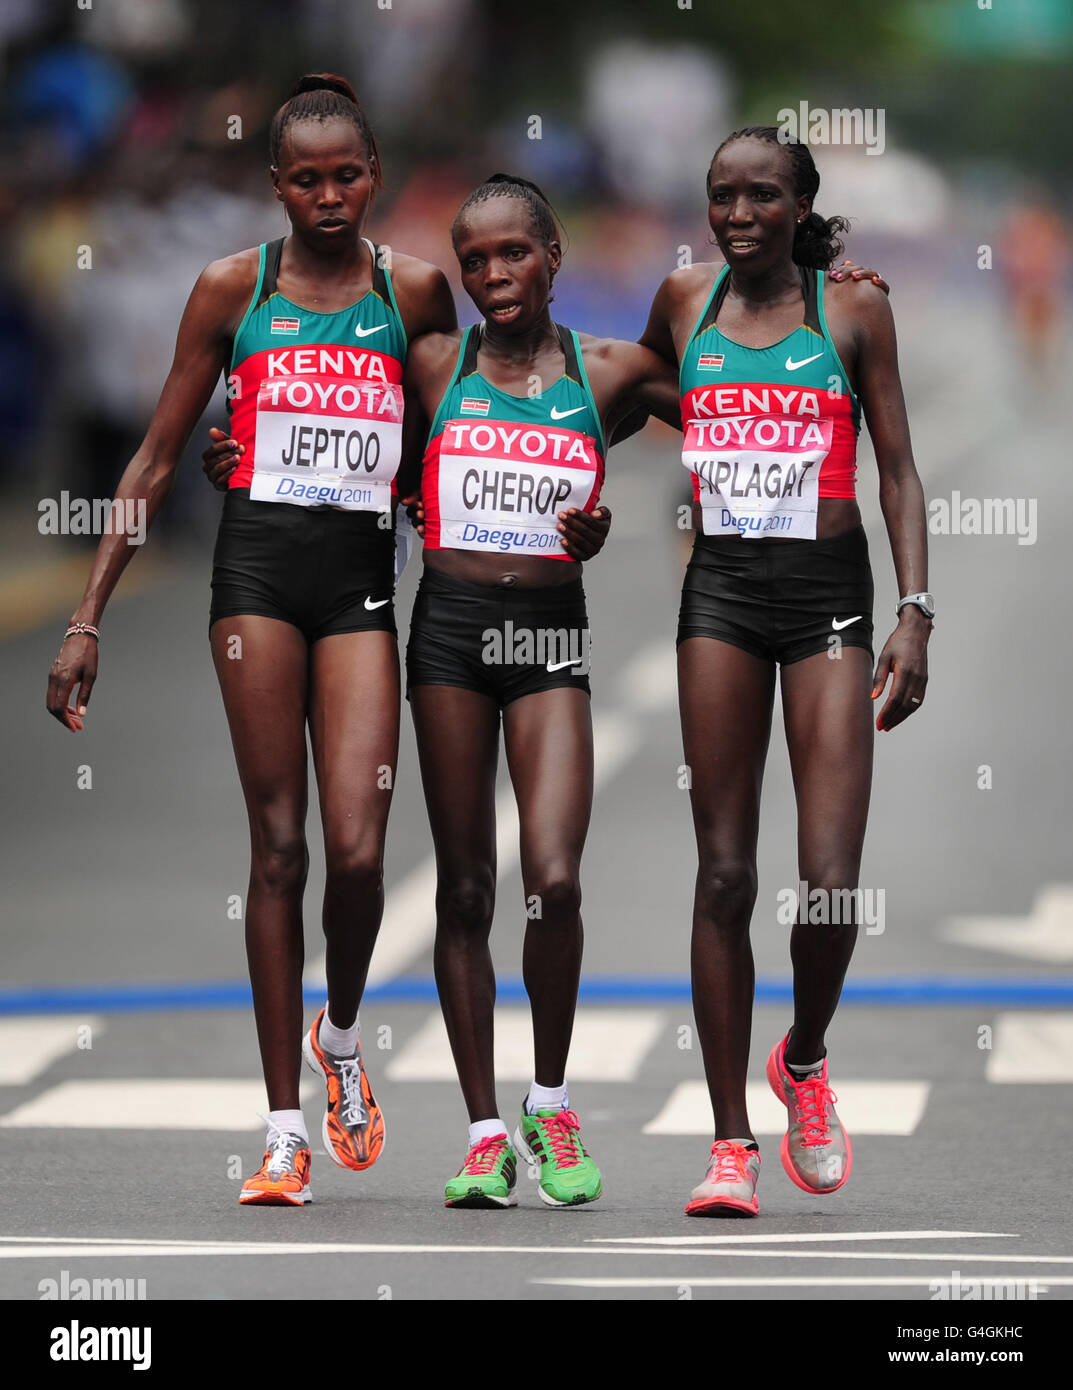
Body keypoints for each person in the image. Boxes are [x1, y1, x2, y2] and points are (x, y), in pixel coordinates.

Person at [46, 73, 466, 1206]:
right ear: (275, 185)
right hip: (255, 584)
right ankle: (283, 1126)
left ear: (374, 176)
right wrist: (88, 616)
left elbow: (456, 433)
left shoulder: (416, 293)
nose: (330, 197)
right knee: (278, 849)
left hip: (358, 589)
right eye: (307, 179)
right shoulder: (232, 292)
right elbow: (149, 459)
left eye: (348, 176)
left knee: (362, 848)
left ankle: (340, 1034)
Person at [638, 127, 930, 1217]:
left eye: (762, 194)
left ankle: (802, 1060)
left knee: (827, 877)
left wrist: (914, 611)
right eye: (722, 195)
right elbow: (627, 389)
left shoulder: (851, 308)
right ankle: (726, 1143)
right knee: (721, 874)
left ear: (799, 202)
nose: (739, 212)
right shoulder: (682, 302)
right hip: (717, 595)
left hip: (829, 602)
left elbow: (894, 462)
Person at [397, 174, 681, 1207]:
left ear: (554, 256)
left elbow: (742, 408)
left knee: (552, 878)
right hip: (448, 636)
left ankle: (549, 1102)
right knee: (466, 885)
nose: (490, 275)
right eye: (472, 259)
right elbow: (318, 409)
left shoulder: (605, 376)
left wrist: (829, 285)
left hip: (548, 635)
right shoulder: (434, 366)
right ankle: (483, 1133)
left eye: (512, 253)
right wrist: (231, 455)